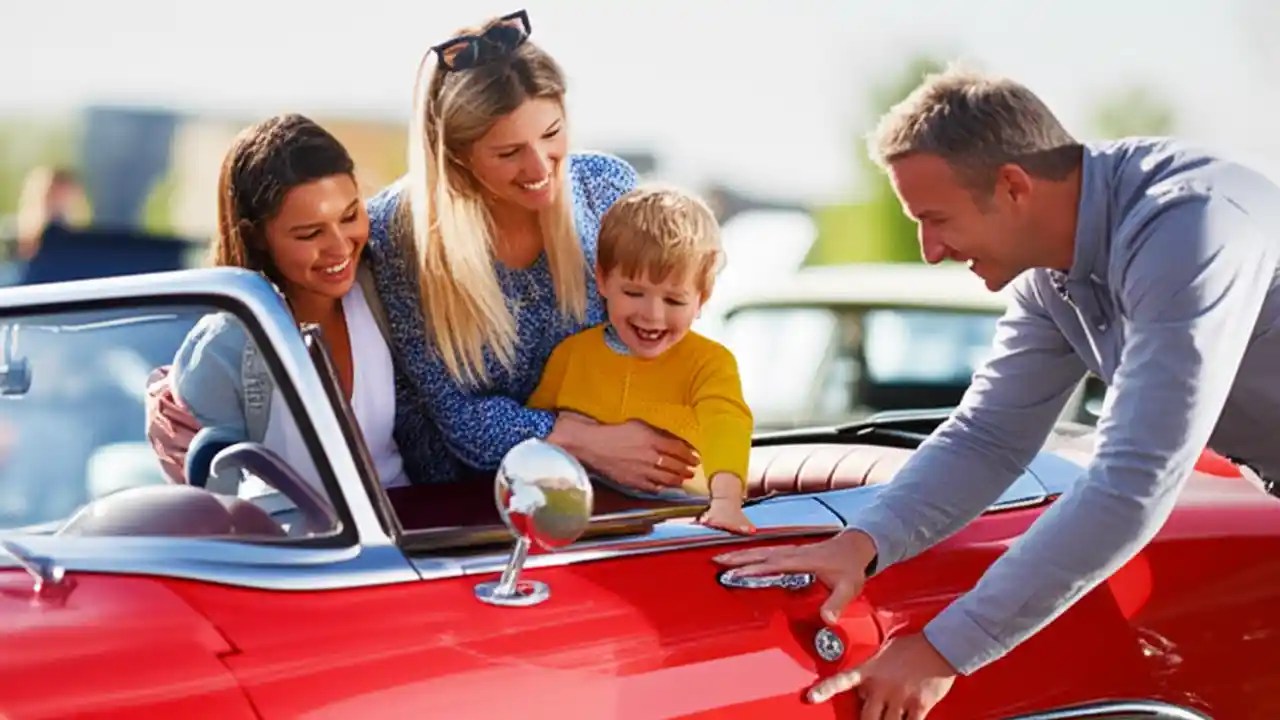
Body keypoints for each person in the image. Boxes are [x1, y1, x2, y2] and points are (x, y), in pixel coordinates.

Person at [716, 63, 1280, 719]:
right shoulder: (1051, 275)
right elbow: (988, 436)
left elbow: (1132, 483)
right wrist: (862, 544)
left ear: (1013, 186)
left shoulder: (1187, 229)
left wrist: (943, 651)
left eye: (935, 218)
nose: (929, 250)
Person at [147, 10, 699, 492]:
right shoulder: (399, 236)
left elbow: (670, 322)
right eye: (508, 151)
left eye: (552, 134)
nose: (539, 167)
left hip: (618, 495)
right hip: (461, 515)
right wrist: (584, 440)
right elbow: (458, 418)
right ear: (456, 157)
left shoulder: (606, 189)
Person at [165, 113, 409, 491]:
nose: (340, 246)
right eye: (310, 233)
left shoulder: (387, 290)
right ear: (256, 236)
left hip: (414, 533)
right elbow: (212, 501)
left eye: (349, 216)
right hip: (294, 542)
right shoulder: (221, 348)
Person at [527, 185, 755, 534]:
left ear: (702, 297)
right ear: (603, 280)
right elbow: (536, 443)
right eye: (633, 293)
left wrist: (725, 503)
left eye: (674, 301)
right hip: (583, 520)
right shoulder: (571, 355)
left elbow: (728, 429)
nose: (652, 315)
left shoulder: (709, 363)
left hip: (677, 515)